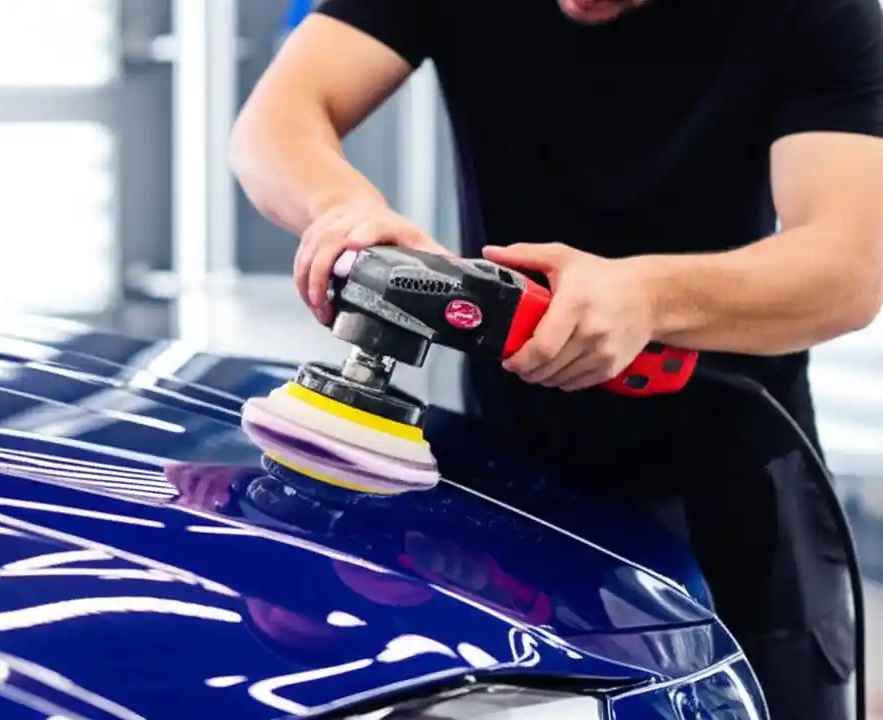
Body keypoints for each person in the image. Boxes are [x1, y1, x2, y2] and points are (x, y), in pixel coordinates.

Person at [229, 0, 883, 717]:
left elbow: (848, 268)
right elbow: (278, 118)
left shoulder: (819, 13)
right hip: (508, 468)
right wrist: (341, 210)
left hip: (742, 486)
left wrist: (649, 298)